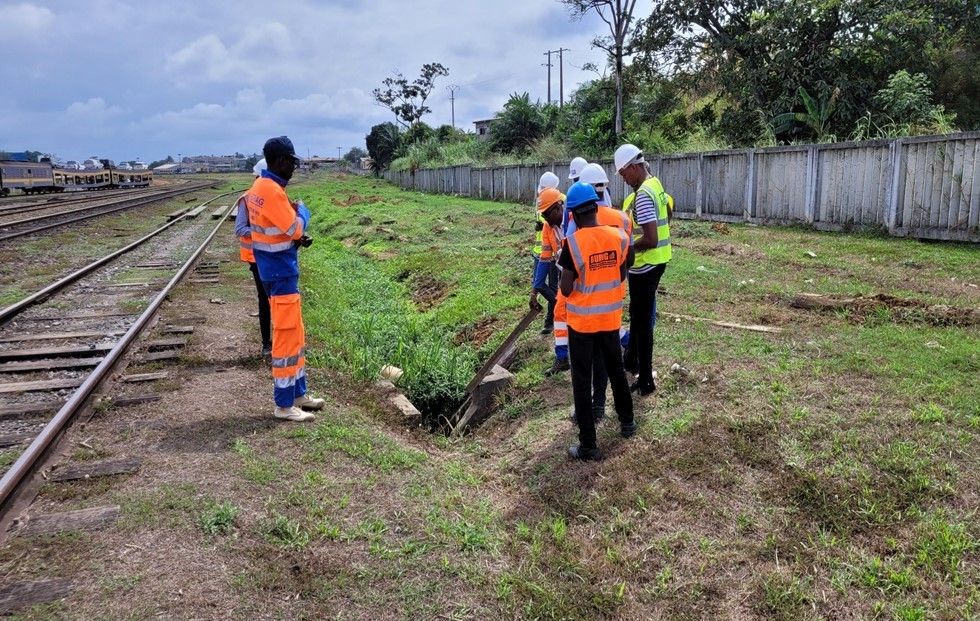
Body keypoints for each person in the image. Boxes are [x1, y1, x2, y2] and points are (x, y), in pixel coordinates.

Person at [244, 136, 324, 422]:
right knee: (287, 336)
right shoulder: (271, 191)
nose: (294, 168)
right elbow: (294, 228)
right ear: (280, 161)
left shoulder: (258, 188)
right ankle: (283, 404)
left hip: (275, 270)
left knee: (296, 331)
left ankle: (298, 393)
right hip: (280, 272)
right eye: (292, 162)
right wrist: (303, 210)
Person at [558, 182, 635, 460]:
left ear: (574, 215)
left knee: (581, 381)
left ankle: (589, 444)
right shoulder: (619, 237)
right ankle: (627, 422)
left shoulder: (573, 244)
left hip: (581, 326)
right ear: (596, 207)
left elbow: (566, 289)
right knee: (616, 371)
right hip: (610, 320)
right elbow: (625, 270)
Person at [614, 144, 673, 396]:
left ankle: (646, 379)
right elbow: (669, 211)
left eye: (624, 173)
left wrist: (626, 247)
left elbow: (650, 238)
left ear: (634, 167)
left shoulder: (643, 195)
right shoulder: (654, 184)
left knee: (642, 322)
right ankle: (633, 360)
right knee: (638, 315)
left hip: (645, 266)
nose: (623, 178)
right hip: (655, 262)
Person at [234, 159, 272, 356]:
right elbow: (240, 228)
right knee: (265, 299)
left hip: (274, 254)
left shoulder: (276, 196)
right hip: (257, 257)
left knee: (276, 299)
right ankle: (267, 343)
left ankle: (276, 341)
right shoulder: (247, 199)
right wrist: (264, 233)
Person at [529, 187, 564, 327]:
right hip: (565, 271)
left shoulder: (573, 221)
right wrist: (534, 291)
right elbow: (544, 260)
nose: (544, 219)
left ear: (557, 208)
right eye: (542, 215)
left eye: (546, 215)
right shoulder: (547, 228)